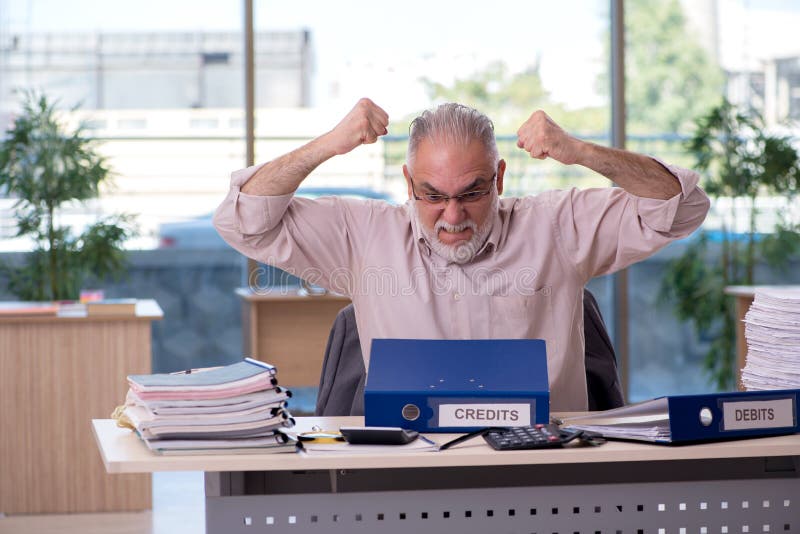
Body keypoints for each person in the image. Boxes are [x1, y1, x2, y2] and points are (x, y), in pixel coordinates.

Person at [213, 98, 710, 411]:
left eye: (472, 193)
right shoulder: (364, 233)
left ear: (499, 178)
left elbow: (680, 207)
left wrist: (579, 151)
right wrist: (327, 144)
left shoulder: (555, 226)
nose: (453, 217)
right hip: (406, 479)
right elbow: (242, 220)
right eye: (432, 196)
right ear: (408, 185)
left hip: (543, 470)